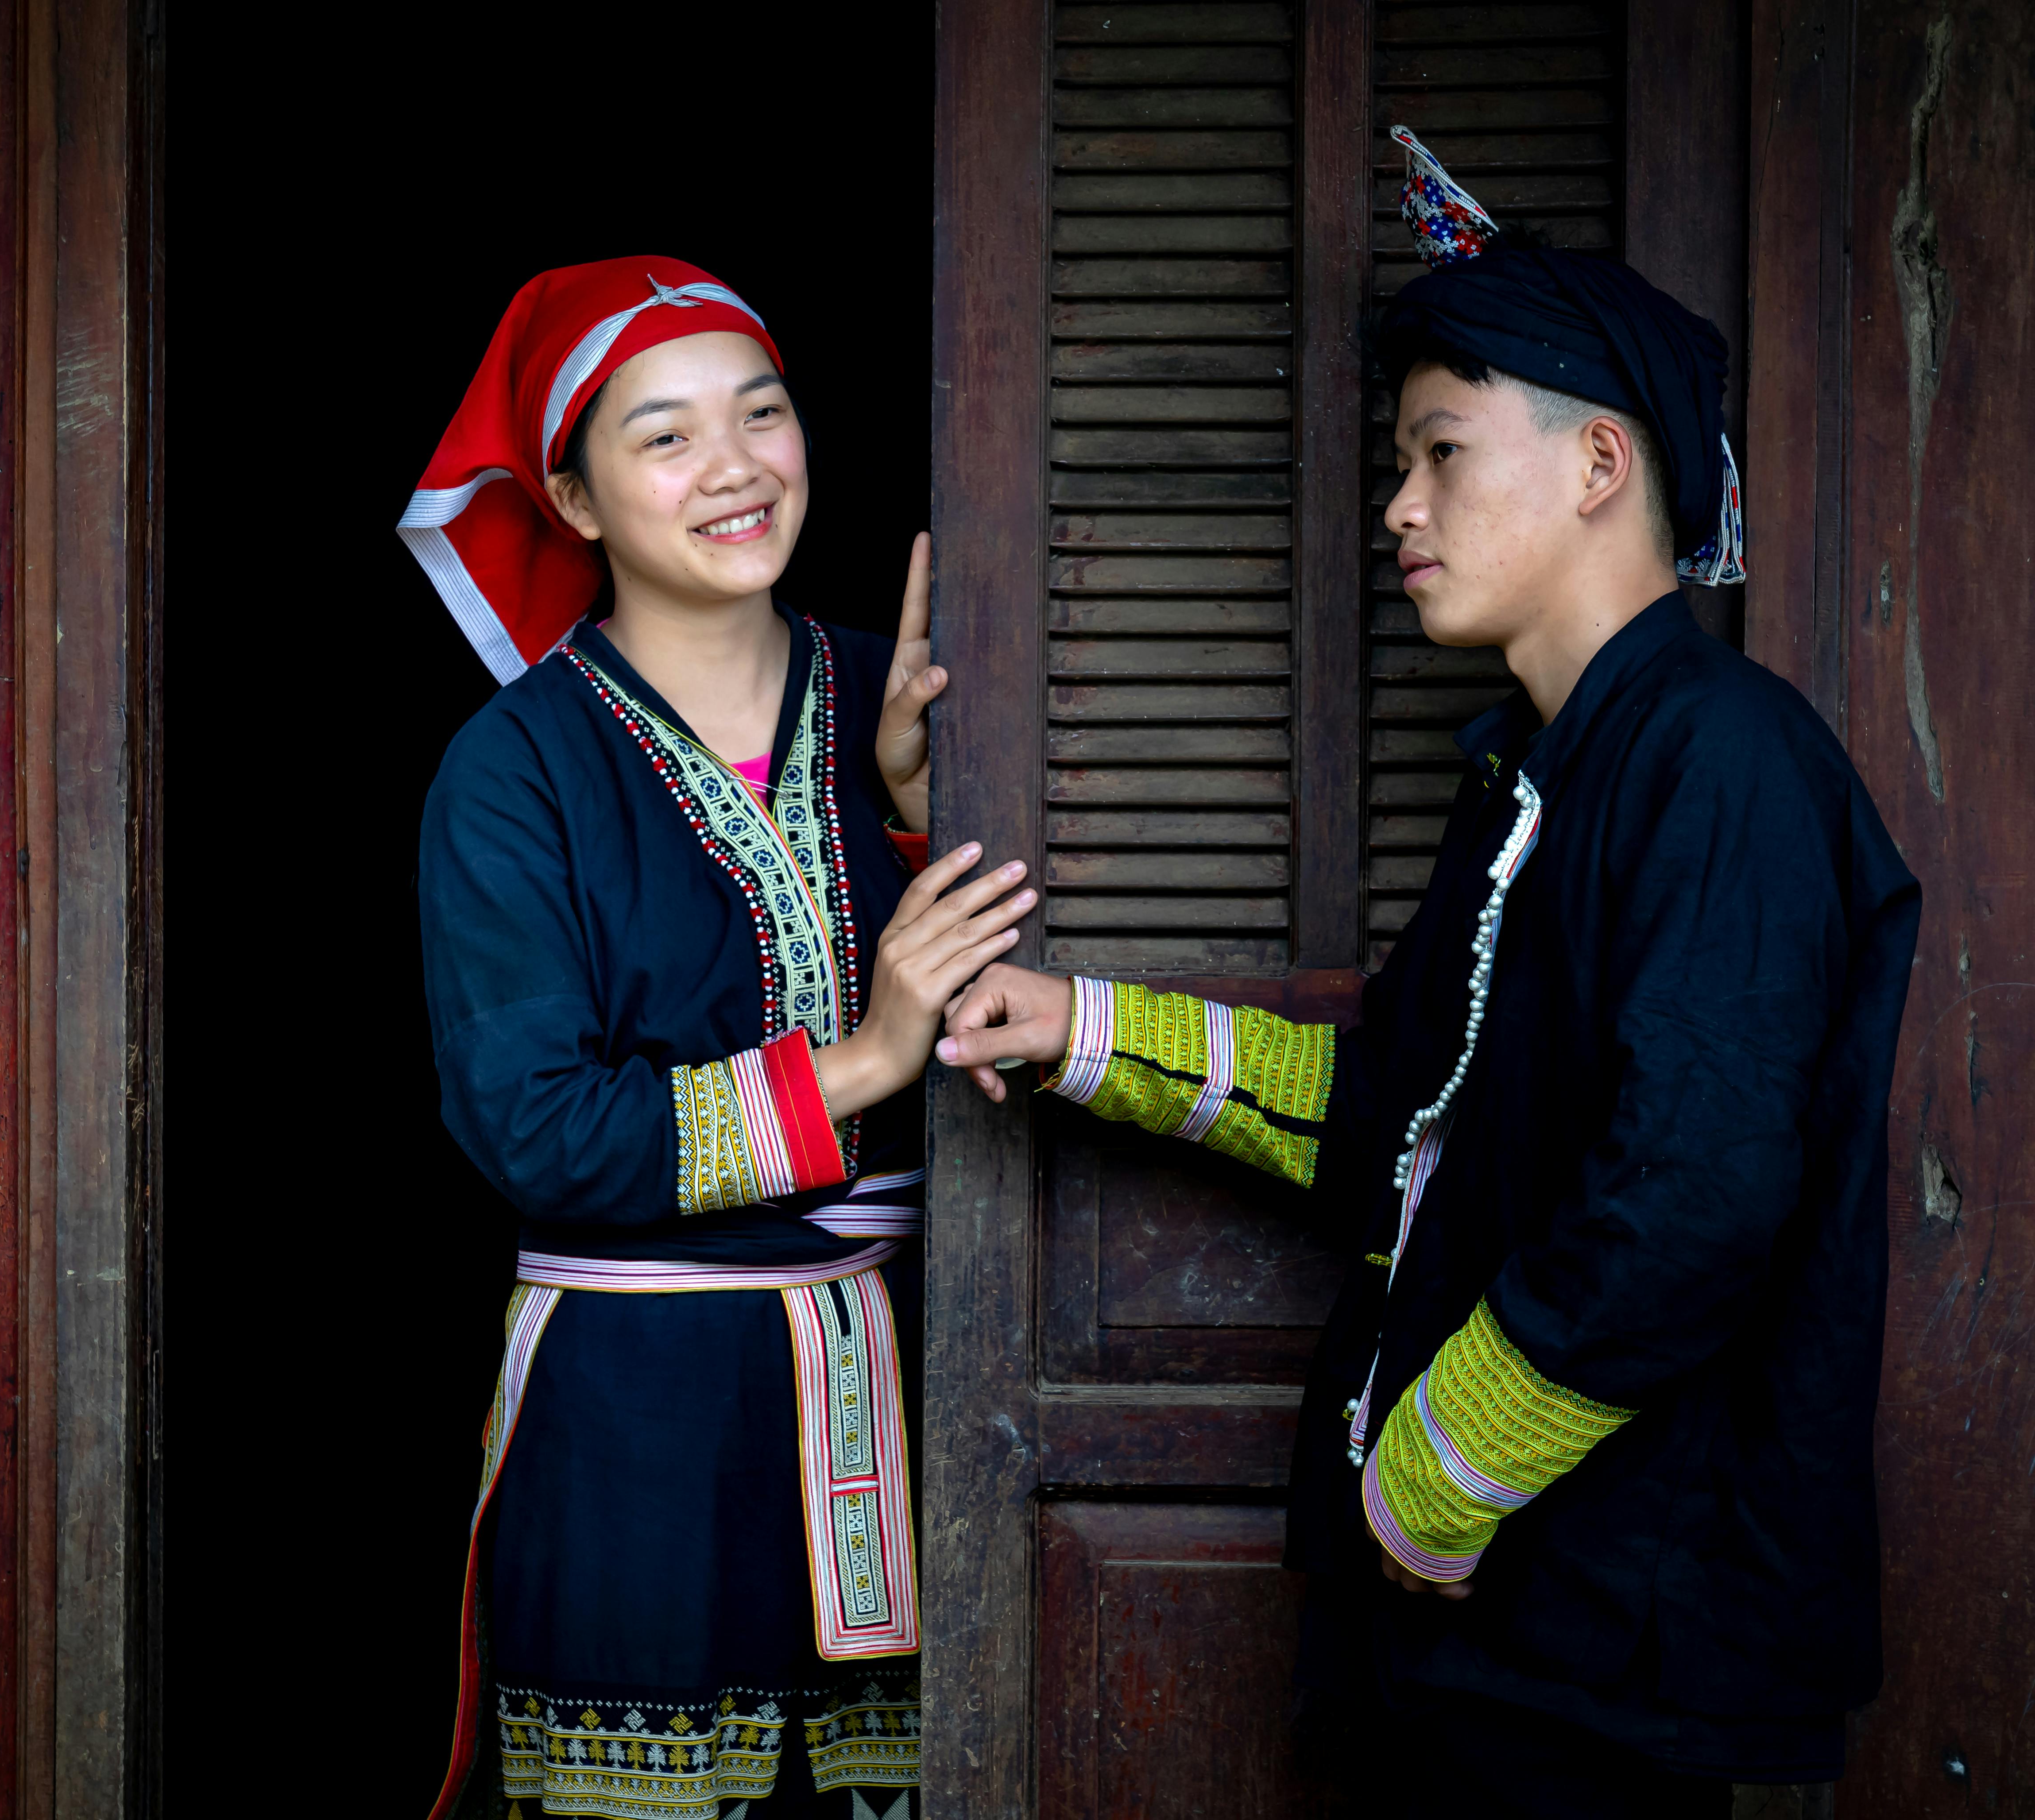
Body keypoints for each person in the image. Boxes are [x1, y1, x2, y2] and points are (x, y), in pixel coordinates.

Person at [935, 134, 1922, 1816]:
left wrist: (1434, 1483)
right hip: (1461, 1643)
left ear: (1601, 461)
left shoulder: (1725, 764)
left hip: (1607, 1642)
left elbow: (1695, 1195)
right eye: (1402, 463)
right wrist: (1081, 1032)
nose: (1396, 506)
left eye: (1440, 454)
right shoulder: (1525, 779)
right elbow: (1396, 1107)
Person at [400, 256, 1029, 1820]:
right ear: (578, 496)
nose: (736, 466)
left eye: (760, 411)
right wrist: (864, 1060)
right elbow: (536, 1126)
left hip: (934, 1391)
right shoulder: (514, 773)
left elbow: (1062, 1018)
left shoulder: (924, 702)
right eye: (664, 437)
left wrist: (911, 812)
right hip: (637, 1430)